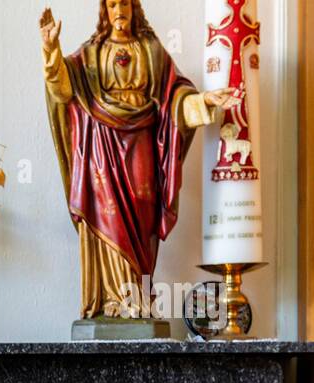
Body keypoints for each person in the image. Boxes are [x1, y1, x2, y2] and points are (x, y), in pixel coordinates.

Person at [41, 0, 238, 320]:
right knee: (107, 217)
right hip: (100, 153)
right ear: (104, 11)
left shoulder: (152, 51)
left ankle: (139, 295)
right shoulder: (89, 55)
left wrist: (201, 101)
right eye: (113, 4)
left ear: (135, 10)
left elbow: (175, 96)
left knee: (142, 214)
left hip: (142, 146)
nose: (119, 10)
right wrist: (51, 49)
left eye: (125, 4)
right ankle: (112, 301)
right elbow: (63, 91)